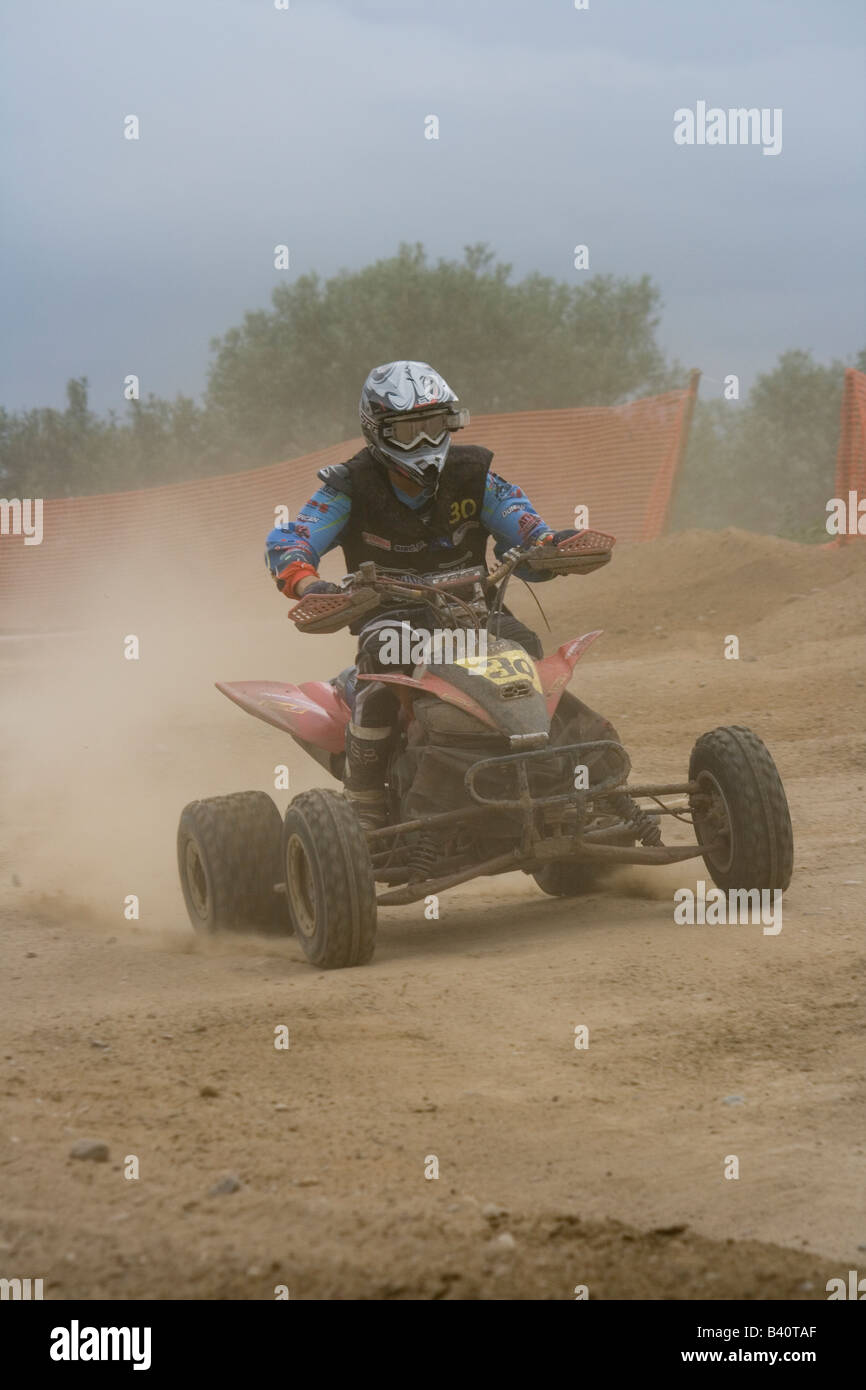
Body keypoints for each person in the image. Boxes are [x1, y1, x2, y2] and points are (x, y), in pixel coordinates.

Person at [266, 360, 658, 844]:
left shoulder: (476, 477)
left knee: (531, 661)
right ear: (378, 431)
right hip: (392, 616)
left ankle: (582, 789)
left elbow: (527, 528)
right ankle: (364, 801)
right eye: (409, 430)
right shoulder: (348, 487)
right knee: (385, 669)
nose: (425, 441)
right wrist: (310, 584)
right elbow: (291, 539)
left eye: (434, 425)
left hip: (476, 611)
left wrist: (550, 546)